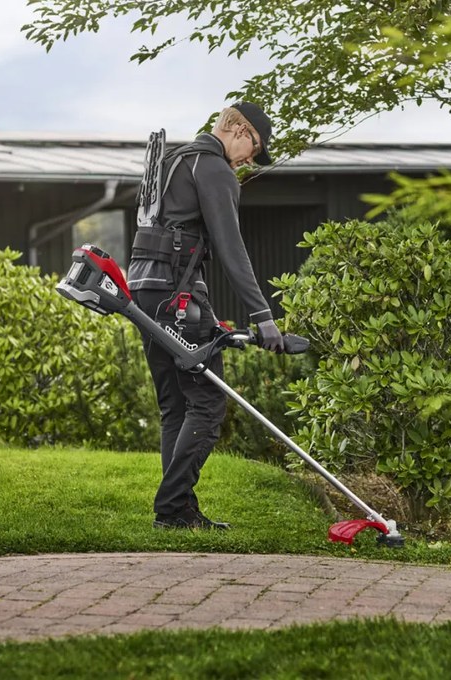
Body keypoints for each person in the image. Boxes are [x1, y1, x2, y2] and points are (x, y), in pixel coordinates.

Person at [126, 102, 284, 530]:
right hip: (175, 295)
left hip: (143, 290)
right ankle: (171, 506)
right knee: (209, 403)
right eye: (255, 147)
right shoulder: (214, 168)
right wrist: (263, 315)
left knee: (175, 406)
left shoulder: (174, 161)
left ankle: (177, 512)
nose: (250, 158)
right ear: (239, 130)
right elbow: (231, 248)